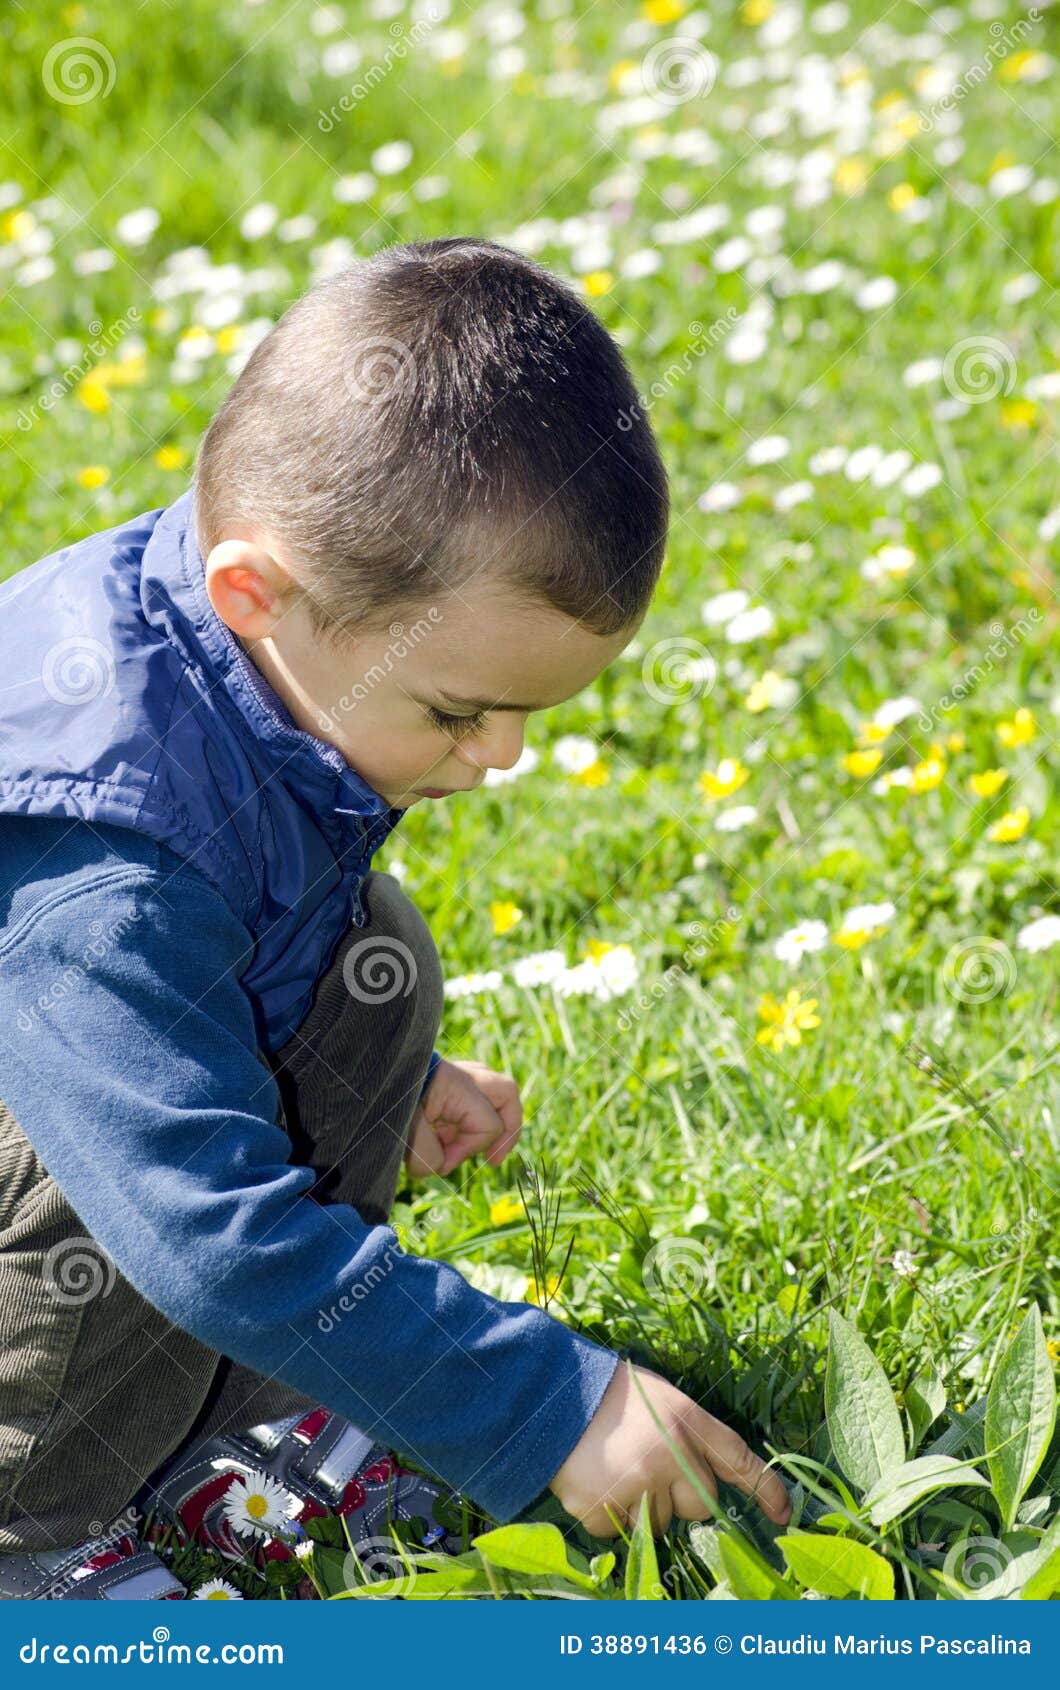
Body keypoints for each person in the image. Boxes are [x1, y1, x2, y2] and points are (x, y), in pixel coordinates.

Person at [0, 238, 790, 1599]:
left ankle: (227, 1423)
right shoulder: (100, 857)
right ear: (260, 589)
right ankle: (34, 1530)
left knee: (375, 965)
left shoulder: (237, 629)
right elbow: (202, 1224)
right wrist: (548, 1403)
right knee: (143, 1175)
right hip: (74, 1150)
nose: (500, 757)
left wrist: (388, 1078)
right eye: (458, 711)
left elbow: (239, 938)